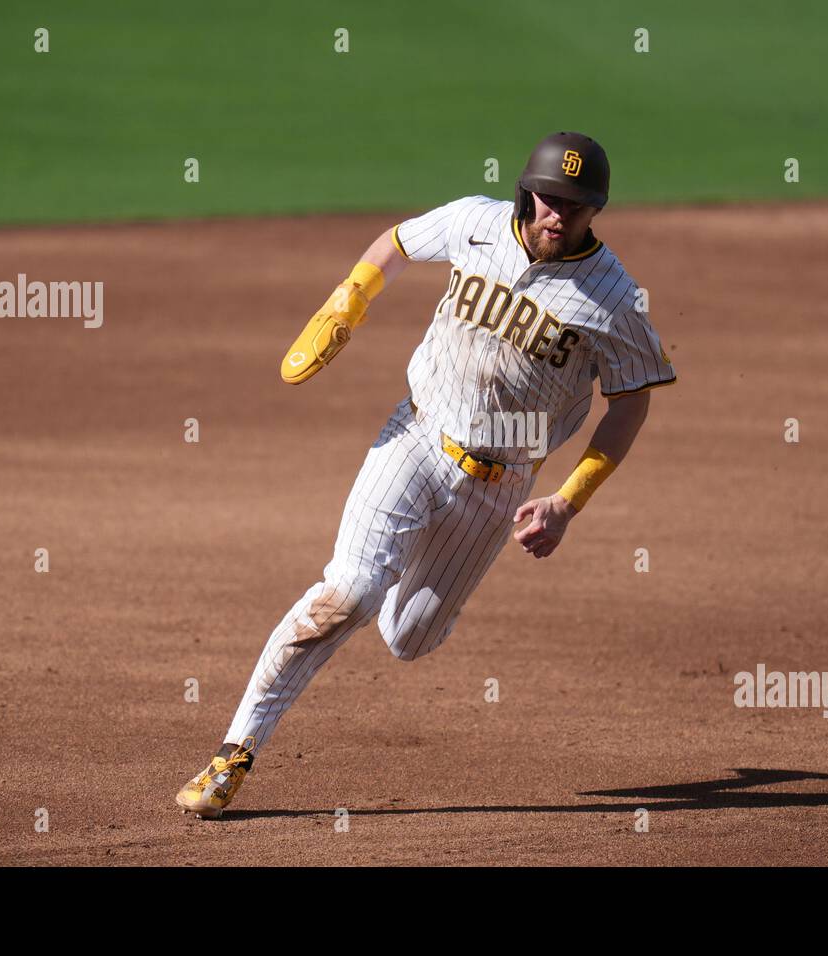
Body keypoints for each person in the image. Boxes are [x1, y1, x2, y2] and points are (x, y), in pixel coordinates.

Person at [175, 131, 676, 818]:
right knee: (348, 592)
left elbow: (633, 399)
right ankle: (234, 753)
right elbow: (400, 242)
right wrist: (349, 299)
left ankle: (393, 581)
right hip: (414, 436)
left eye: (577, 206)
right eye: (549, 199)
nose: (559, 215)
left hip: (500, 487)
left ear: (596, 211)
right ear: (528, 191)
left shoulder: (615, 297)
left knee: (409, 637)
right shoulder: (475, 221)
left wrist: (568, 501)